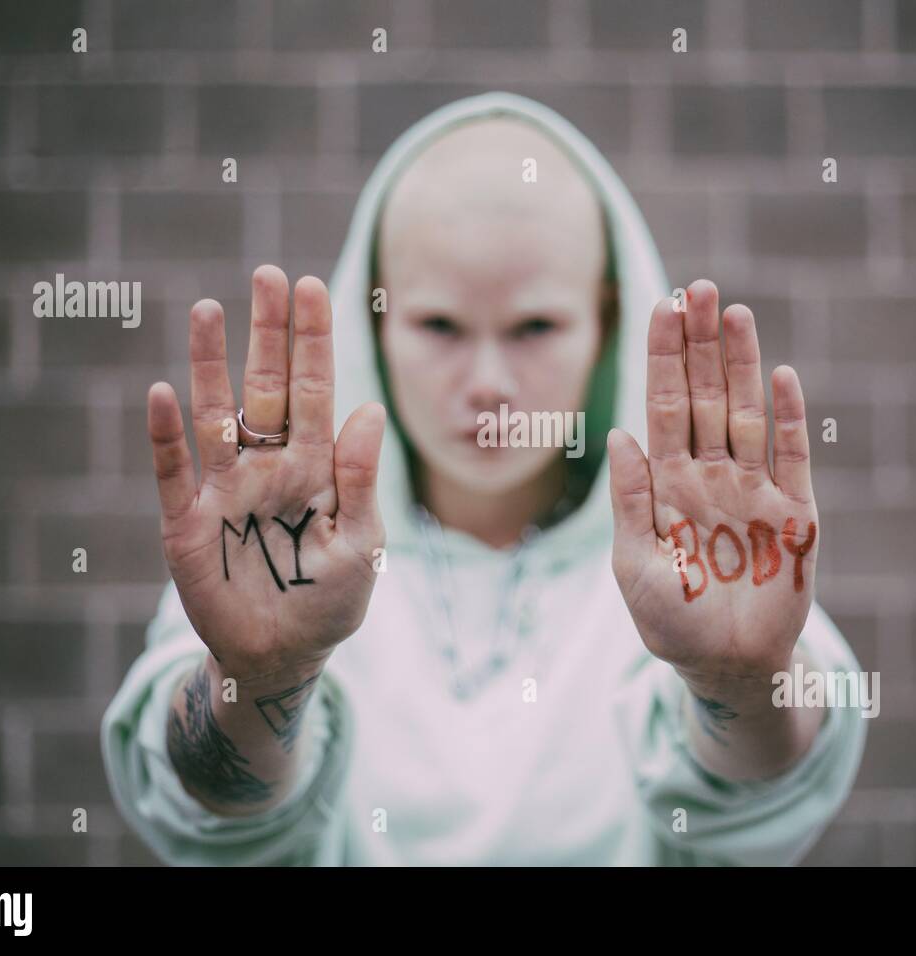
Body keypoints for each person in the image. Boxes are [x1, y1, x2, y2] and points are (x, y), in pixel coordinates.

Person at [101, 91, 867, 865]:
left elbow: (770, 777)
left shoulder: (698, 560)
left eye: (536, 326)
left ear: (607, 322)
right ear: (376, 325)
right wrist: (260, 677)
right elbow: (207, 803)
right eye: (439, 326)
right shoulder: (275, 557)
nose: (489, 382)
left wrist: (739, 680)